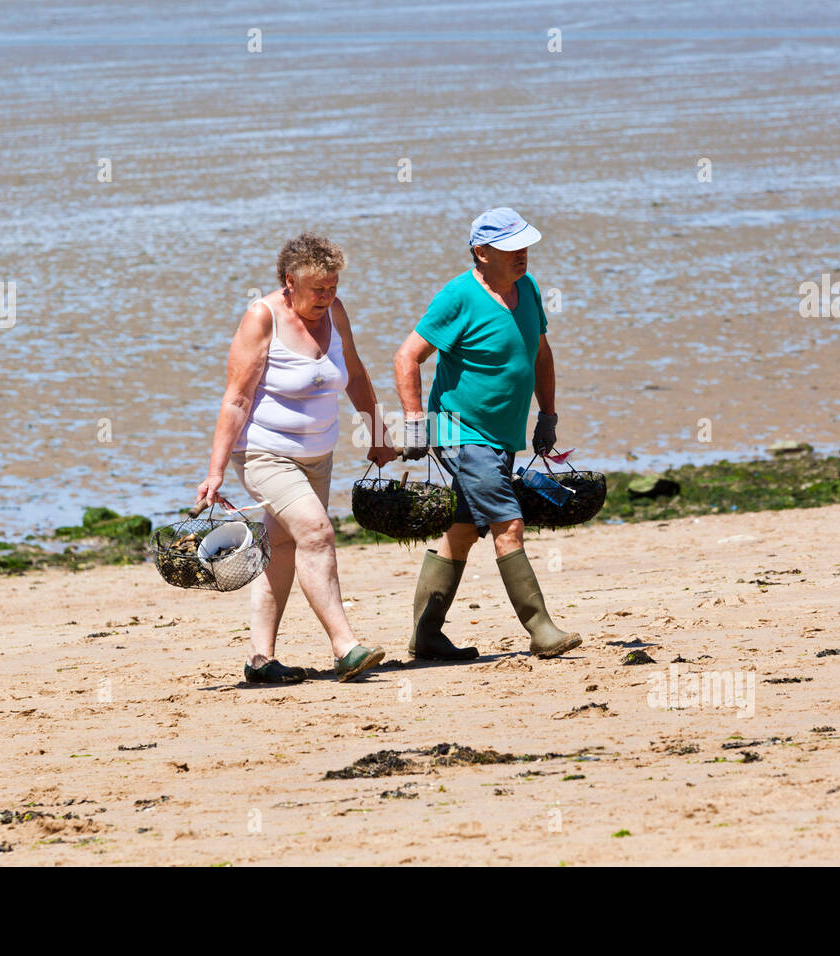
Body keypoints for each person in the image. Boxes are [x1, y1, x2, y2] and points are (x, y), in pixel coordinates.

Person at [196, 233, 396, 684]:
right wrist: (215, 471)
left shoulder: (336, 312)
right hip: (265, 453)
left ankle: (259, 660)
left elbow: (356, 371)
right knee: (317, 533)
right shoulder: (261, 318)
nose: (327, 296)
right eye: (318, 289)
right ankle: (345, 647)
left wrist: (378, 429)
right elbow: (236, 400)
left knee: (283, 547)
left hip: (317, 455)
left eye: (333, 286)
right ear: (290, 281)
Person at [393, 208, 581, 661]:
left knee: (460, 530)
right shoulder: (458, 297)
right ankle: (540, 628)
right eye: (512, 248)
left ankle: (426, 635)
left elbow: (541, 355)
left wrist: (548, 416)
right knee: (508, 524)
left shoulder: (529, 290)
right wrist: (415, 422)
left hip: (501, 436)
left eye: (525, 246)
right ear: (482, 252)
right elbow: (406, 357)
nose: (523, 255)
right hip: (460, 431)